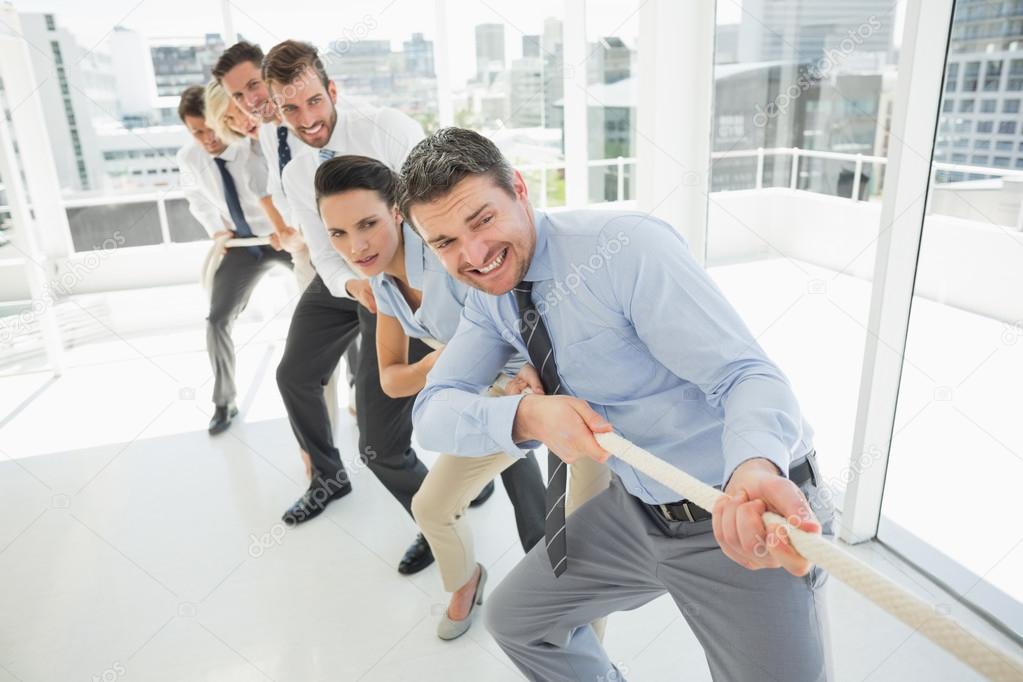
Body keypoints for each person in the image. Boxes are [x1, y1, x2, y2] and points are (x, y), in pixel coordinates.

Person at [403, 128, 835, 681]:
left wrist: (754, 467)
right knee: (517, 620)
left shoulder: (625, 249)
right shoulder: (492, 300)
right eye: (444, 243)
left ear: (519, 189)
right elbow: (431, 412)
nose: (473, 255)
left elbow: (745, 375)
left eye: (482, 220)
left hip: (738, 509)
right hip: (635, 509)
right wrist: (528, 416)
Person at [313, 154, 586, 640]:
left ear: (397, 212)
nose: (356, 246)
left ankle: (575, 633)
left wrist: (483, 366)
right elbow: (391, 379)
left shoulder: (451, 257)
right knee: (432, 507)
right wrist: (439, 363)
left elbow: (521, 313)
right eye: (338, 234)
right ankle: (465, 581)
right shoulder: (383, 287)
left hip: (540, 386)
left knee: (573, 541)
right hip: (482, 400)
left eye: (368, 224)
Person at [260, 40, 474, 575]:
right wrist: (353, 285)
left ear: (332, 90)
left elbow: (433, 210)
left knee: (379, 436)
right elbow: (323, 251)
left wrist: (390, 287)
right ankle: (328, 478)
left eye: (313, 101)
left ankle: (440, 513)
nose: (306, 119)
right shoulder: (294, 173)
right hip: (346, 278)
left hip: (399, 276)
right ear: (277, 110)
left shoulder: (386, 128)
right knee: (293, 375)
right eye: (290, 108)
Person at [175, 84, 293, 435]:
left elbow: (283, 188)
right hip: (242, 244)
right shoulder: (189, 158)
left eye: (210, 128)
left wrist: (286, 227)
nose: (207, 138)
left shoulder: (250, 146)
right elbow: (195, 196)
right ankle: (224, 401)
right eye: (197, 132)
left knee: (336, 299)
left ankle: (354, 384)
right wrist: (217, 230)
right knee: (217, 320)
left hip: (281, 237)